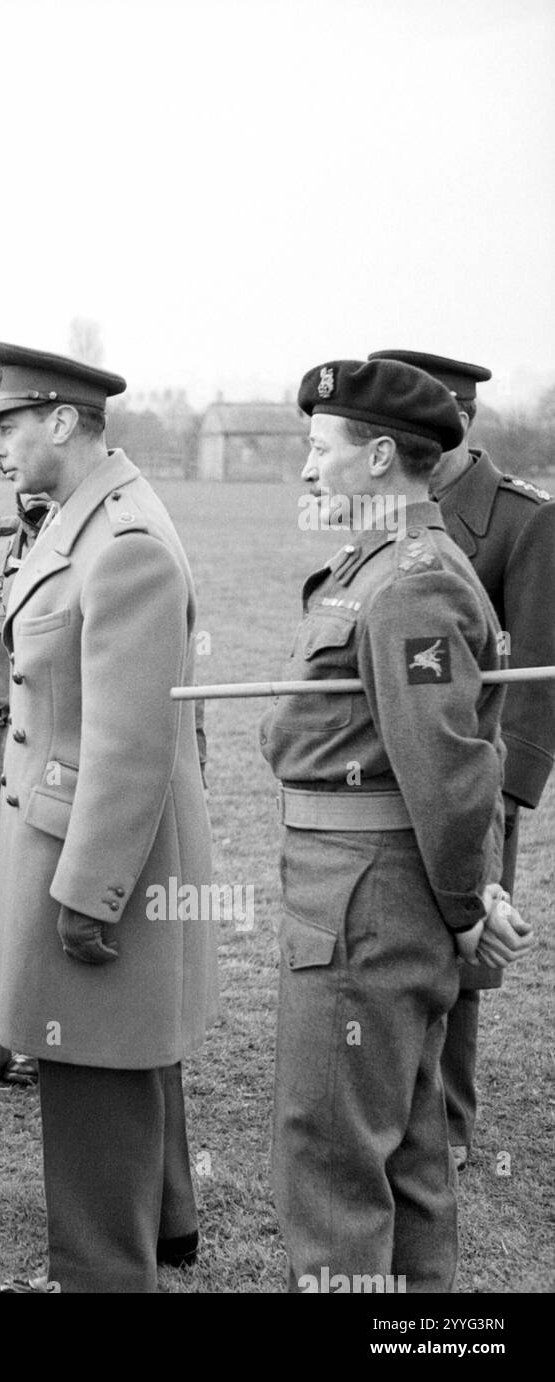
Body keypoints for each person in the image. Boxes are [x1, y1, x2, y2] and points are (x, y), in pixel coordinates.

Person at [261, 357, 534, 1292]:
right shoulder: (374, 564)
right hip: (361, 886)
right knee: (408, 1151)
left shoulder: (411, 580)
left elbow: (449, 769)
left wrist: (467, 908)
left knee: (334, 1154)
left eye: (317, 449)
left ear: (379, 457)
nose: (305, 469)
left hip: (366, 895)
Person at [0, 341, 218, 1293]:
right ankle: (164, 1231)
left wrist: (90, 895)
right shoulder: (85, 522)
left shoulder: (122, 547)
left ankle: (101, 1277)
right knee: (126, 1062)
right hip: (81, 840)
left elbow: (130, 745)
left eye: (11, 425)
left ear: (64, 422)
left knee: (94, 1084)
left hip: (103, 856)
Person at [368, 349, 555, 1171]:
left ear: (457, 419)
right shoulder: (381, 509)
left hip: (474, 769)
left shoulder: (523, 519)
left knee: (467, 944)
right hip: (391, 772)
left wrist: (509, 792)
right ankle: (398, 1103)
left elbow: (540, 668)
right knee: (408, 931)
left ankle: (449, 1122)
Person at [0, 493, 53, 1088]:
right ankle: (13, 1034)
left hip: (73, 753)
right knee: (16, 902)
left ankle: (50, 1034)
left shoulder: (108, 535)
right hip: (10, 750)